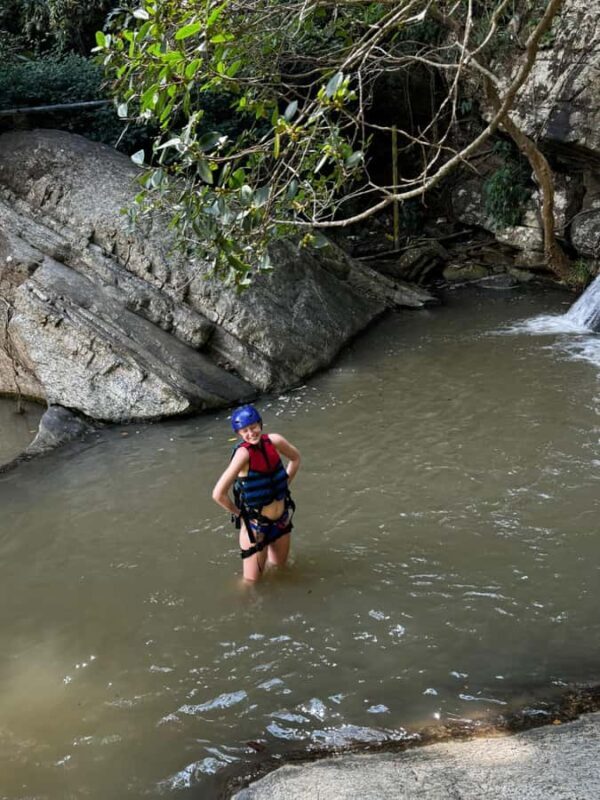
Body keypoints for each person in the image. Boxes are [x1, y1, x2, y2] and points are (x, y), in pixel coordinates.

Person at [212, 404, 301, 581]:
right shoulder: (243, 455)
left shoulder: (275, 441)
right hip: (256, 528)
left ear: (260, 424)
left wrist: (284, 483)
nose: (250, 433)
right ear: (239, 434)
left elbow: (296, 458)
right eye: (244, 430)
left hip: (281, 521)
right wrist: (239, 514)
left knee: (279, 570)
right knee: (251, 584)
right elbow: (218, 494)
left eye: (253, 427)